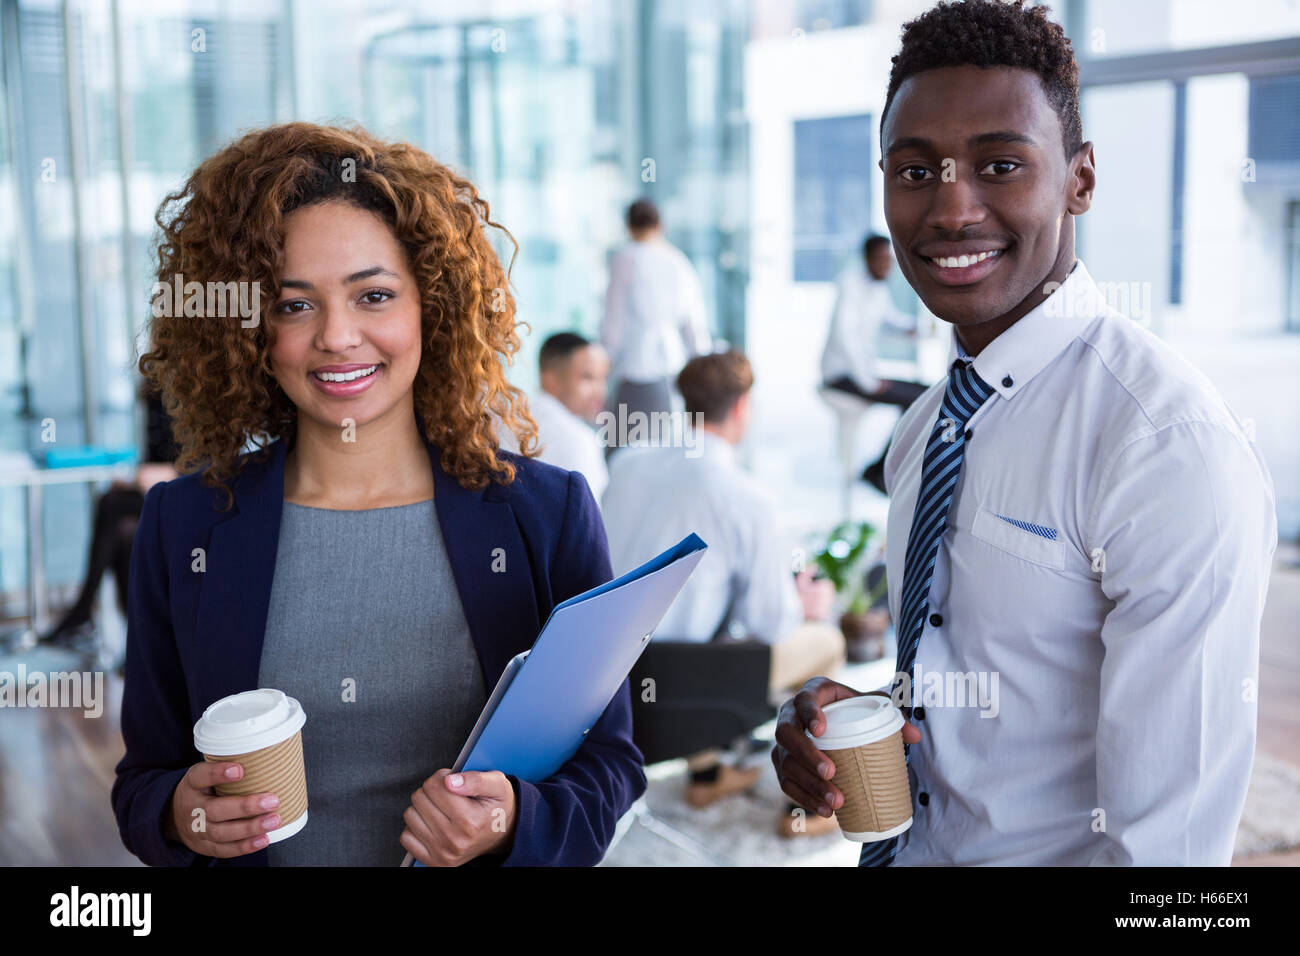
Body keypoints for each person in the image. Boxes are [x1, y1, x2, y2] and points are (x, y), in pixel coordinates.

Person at [772, 0, 1276, 866]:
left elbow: (1170, 864)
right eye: (915, 171)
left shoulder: (1165, 449)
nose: (951, 210)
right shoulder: (926, 429)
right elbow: (972, 685)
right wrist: (845, 722)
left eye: (1000, 164)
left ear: (1079, 179)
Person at [111, 122, 646, 867]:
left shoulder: (545, 514)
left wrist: (510, 820)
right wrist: (181, 815)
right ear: (250, 330)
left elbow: (611, 768)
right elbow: (144, 780)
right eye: (295, 305)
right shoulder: (187, 523)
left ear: (433, 304)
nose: (337, 336)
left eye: (373, 295)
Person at [602, 350, 843, 834]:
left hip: (601, 684)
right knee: (825, 643)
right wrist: (804, 606)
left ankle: (707, 775)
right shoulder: (744, 497)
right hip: (675, 695)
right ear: (741, 408)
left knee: (690, 623)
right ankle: (810, 806)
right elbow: (769, 625)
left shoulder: (628, 462)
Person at [40, 383, 179, 648]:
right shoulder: (154, 391)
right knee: (124, 530)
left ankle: (84, 609)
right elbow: (155, 455)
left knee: (112, 506)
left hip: (188, 488)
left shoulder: (193, 384)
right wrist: (134, 479)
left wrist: (169, 472)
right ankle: (135, 641)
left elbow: (212, 463)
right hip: (160, 487)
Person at [820, 234, 930, 493]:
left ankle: (878, 470)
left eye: (889, 261)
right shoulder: (849, 283)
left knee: (923, 391)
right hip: (842, 375)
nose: (887, 266)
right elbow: (844, 336)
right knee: (918, 398)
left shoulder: (878, 287)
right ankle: (879, 473)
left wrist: (913, 329)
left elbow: (886, 320)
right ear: (867, 259)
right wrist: (868, 383)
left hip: (863, 372)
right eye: (881, 260)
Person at [599, 198, 711, 451]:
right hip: (672, 367)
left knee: (624, 447)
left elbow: (612, 320)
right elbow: (694, 323)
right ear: (661, 225)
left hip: (635, 367)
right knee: (664, 446)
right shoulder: (679, 261)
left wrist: (603, 364)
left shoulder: (625, 259)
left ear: (628, 226)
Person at [526, 332, 610, 502]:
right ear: (551, 380)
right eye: (588, 378)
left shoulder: (511, 421)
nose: (601, 391)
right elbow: (588, 522)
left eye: (603, 379)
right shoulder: (579, 440)